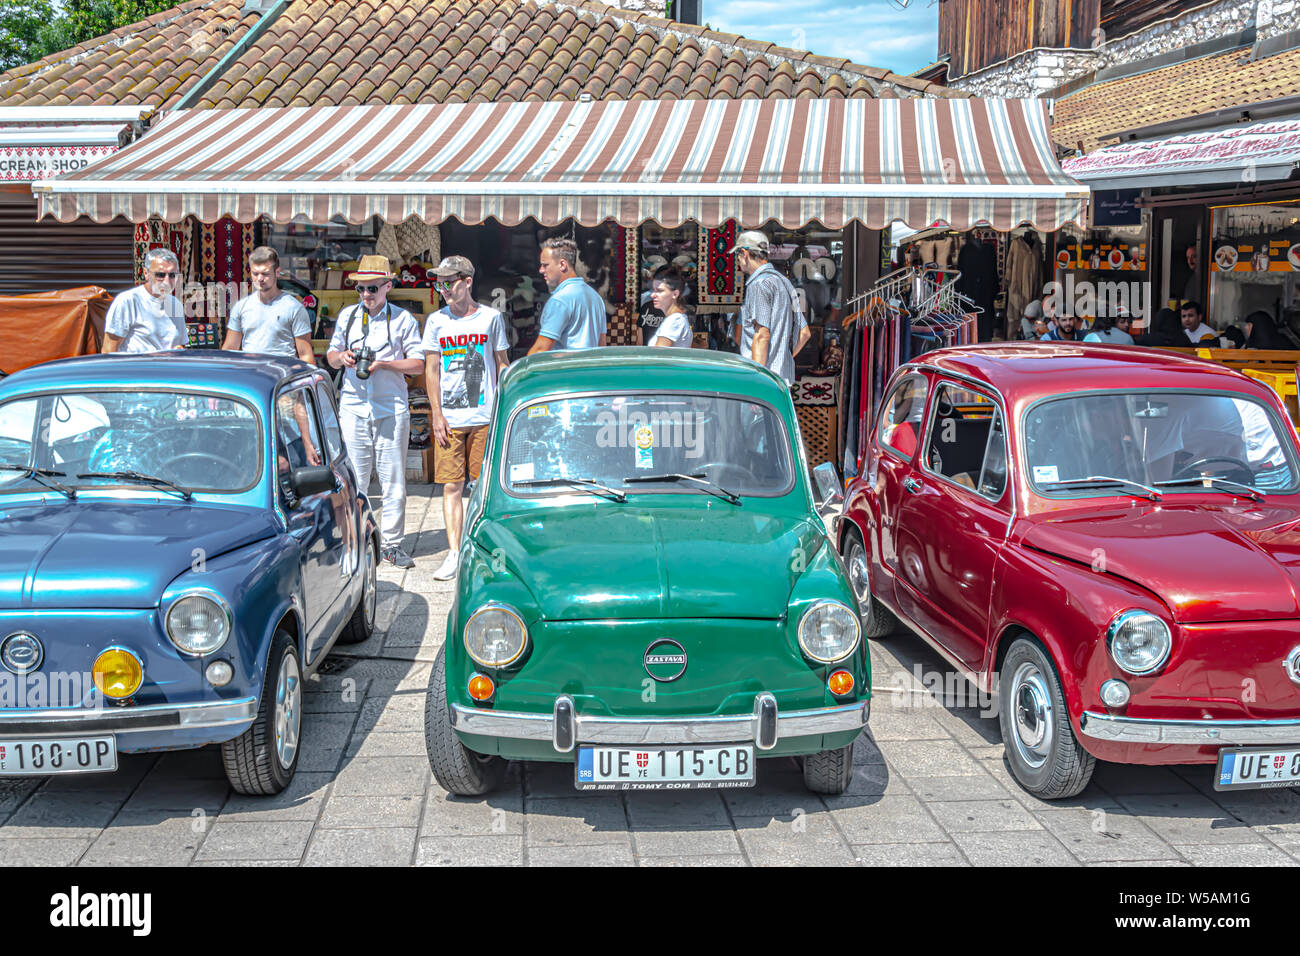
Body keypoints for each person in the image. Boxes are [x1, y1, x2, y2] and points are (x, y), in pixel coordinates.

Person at [326, 256, 425, 569]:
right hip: (354, 406)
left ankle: (392, 545)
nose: (366, 294)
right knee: (354, 479)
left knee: (393, 479)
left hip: (390, 406)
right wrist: (342, 357)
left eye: (372, 288)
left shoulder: (403, 320)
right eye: (360, 288)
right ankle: (354, 541)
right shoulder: (348, 317)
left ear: (387, 287)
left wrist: (384, 364)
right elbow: (329, 356)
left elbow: (418, 363)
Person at [422, 256, 510, 582]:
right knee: (451, 486)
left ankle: (484, 551)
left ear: (468, 281)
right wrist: (436, 413)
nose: (443, 289)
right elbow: (431, 369)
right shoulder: (436, 322)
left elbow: (502, 363)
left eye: (450, 282)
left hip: (485, 414)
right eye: (439, 283)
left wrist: (503, 406)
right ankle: (455, 553)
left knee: (484, 487)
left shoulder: (491, 318)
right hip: (450, 417)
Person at [731, 230, 811, 385]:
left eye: (737, 256)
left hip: (764, 382)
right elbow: (805, 333)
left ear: (744, 253)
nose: (738, 261)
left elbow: (761, 335)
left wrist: (758, 384)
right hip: (781, 379)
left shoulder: (759, 284)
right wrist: (781, 358)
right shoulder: (784, 282)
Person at [223, 246, 315, 364]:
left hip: (281, 376)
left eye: (265, 273)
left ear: (277, 272)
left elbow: (306, 355)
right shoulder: (241, 307)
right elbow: (230, 350)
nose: (260, 278)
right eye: (255, 274)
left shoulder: (294, 308)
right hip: (250, 374)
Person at [529, 237, 606, 353]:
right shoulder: (596, 298)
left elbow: (540, 350)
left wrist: (522, 369)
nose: (541, 270)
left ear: (562, 264)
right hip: (590, 369)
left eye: (545, 265)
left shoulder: (560, 301)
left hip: (564, 370)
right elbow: (601, 346)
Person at [102, 248, 187, 353]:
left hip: (168, 368)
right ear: (146, 273)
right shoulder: (127, 301)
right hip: (138, 368)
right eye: (160, 275)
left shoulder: (176, 305)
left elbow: (179, 345)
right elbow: (109, 351)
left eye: (172, 275)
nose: (167, 281)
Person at [647, 270, 694, 348]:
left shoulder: (674, 320)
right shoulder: (675, 318)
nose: (652, 295)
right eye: (653, 290)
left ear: (675, 294)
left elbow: (658, 356)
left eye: (659, 291)